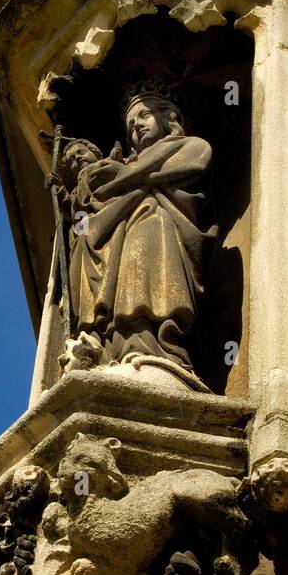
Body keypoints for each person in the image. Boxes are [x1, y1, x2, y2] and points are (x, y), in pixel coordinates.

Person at [67, 84, 216, 375]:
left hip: (157, 224)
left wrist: (124, 177)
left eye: (144, 115)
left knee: (147, 227)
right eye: (131, 125)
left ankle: (155, 348)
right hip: (118, 234)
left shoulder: (189, 145)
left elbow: (193, 169)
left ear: (167, 117)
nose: (137, 126)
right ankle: (111, 347)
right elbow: (94, 208)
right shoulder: (123, 163)